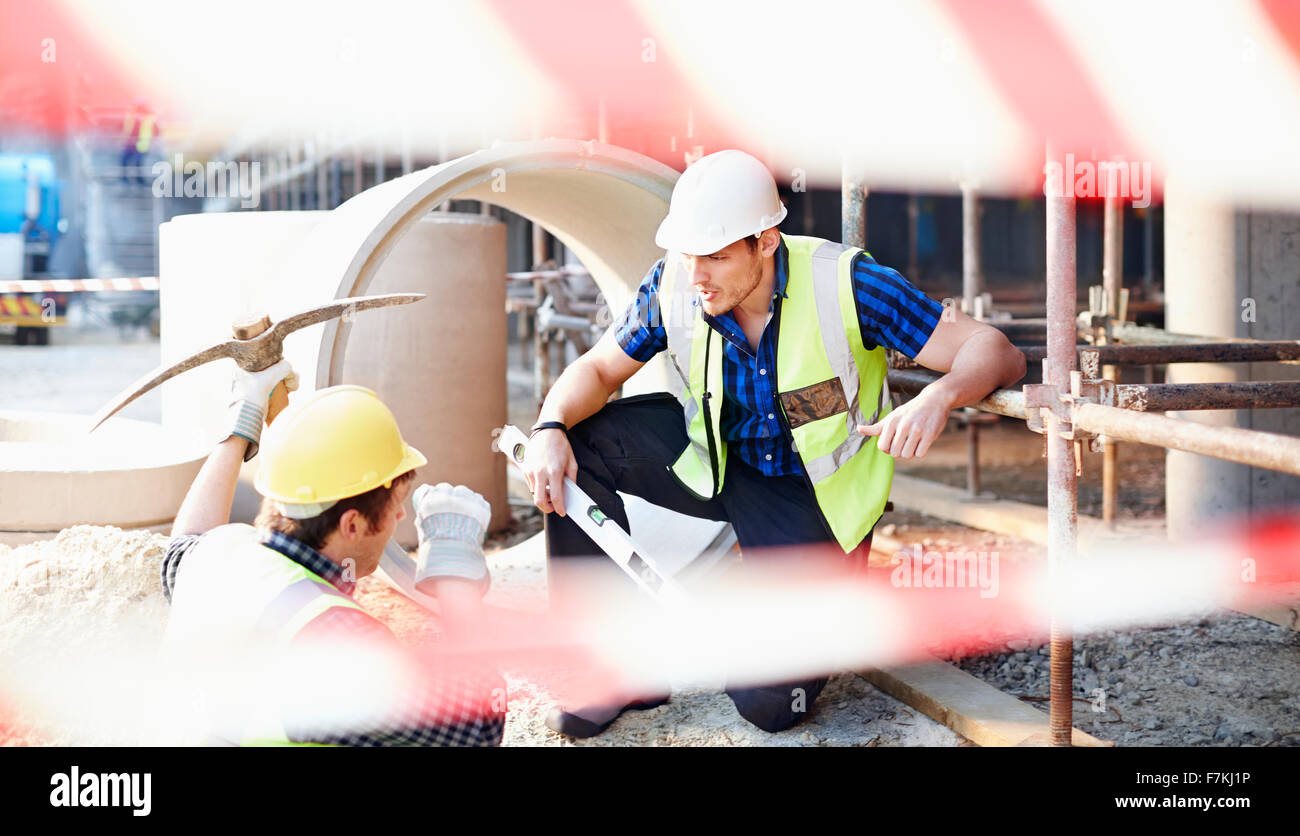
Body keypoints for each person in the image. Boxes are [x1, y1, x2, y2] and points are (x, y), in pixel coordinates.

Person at [522, 149, 1026, 737]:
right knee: (576, 449)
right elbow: (600, 371)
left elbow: (996, 351)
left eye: (714, 256)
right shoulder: (678, 284)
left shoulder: (848, 283)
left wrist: (938, 397)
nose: (696, 275)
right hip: (712, 457)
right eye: (687, 255)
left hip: (808, 497)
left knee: (767, 704)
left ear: (765, 240)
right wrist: (549, 427)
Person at [160, 359, 505, 746]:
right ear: (352, 525)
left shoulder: (220, 554)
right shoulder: (337, 637)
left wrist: (243, 422)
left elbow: (183, 543)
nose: (401, 515)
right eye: (397, 502)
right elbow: (479, 727)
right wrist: (455, 575)